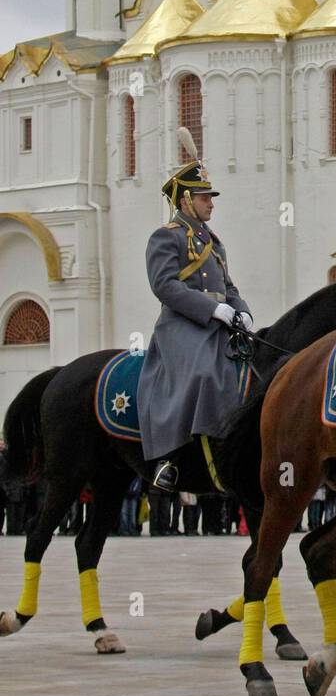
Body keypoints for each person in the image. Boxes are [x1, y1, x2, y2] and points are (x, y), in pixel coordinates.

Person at [137, 132, 255, 493]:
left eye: (210, 197)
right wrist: (213, 309)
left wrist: (241, 312)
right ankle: (171, 458)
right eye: (205, 197)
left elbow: (229, 286)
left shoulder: (213, 242)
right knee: (203, 371)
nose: (211, 204)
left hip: (220, 322)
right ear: (186, 199)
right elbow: (165, 286)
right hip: (181, 326)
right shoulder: (166, 236)